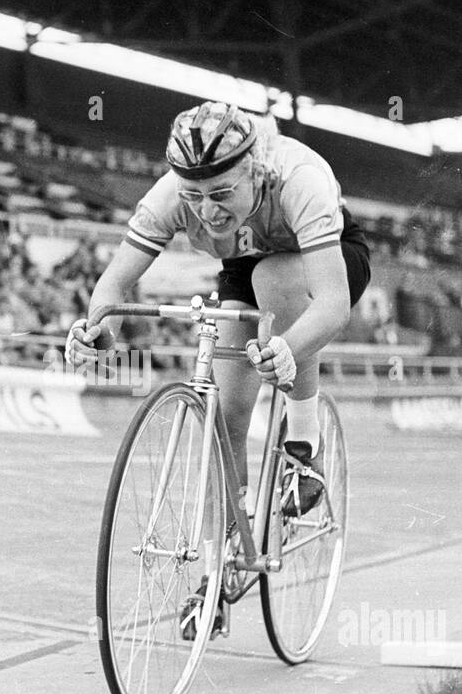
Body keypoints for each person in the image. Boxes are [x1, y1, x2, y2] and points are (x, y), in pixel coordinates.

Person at [66, 101, 371, 523]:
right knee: (226, 416)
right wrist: (97, 330)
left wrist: (287, 351)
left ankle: (305, 445)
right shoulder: (166, 197)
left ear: (255, 170)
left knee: (274, 280)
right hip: (244, 263)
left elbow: (333, 305)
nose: (207, 211)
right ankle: (225, 545)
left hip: (324, 256)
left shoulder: (299, 179)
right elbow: (115, 285)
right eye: (194, 197)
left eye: (222, 193)